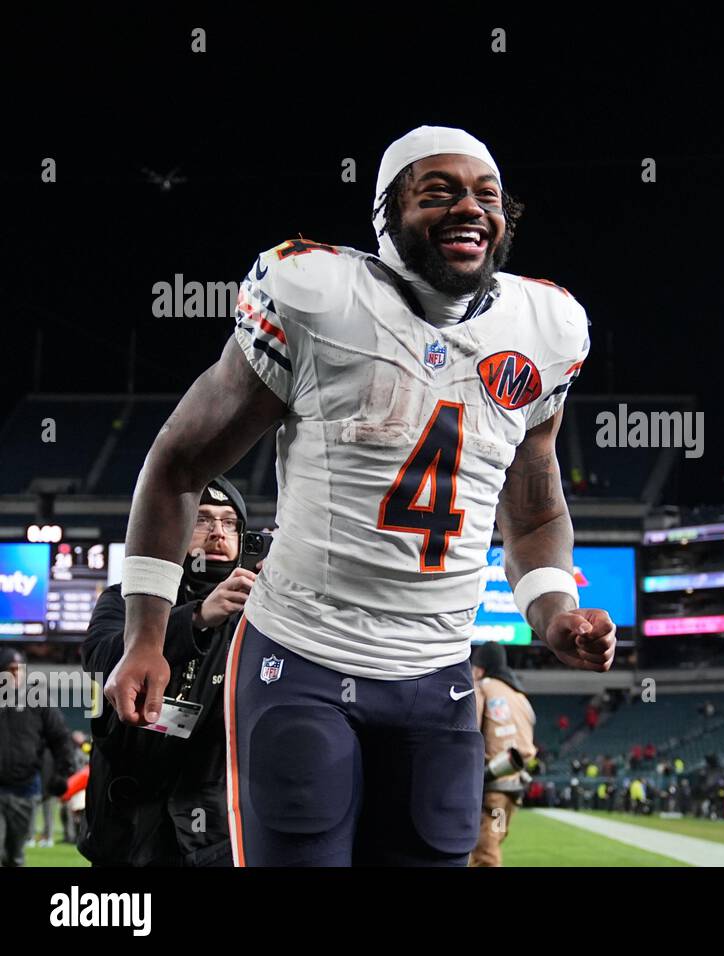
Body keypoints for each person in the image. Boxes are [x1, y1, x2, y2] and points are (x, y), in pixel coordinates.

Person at [103, 126, 617, 867]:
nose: (468, 208)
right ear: (385, 217)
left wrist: (554, 611)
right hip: (301, 656)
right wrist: (145, 636)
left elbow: (534, 508)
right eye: (437, 192)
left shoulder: (546, 328)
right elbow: (179, 465)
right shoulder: (317, 296)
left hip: (438, 672)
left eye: (486, 195)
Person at [79, 477, 255, 867]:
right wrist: (196, 618)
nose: (218, 533)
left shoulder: (259, 612)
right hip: (126, 827)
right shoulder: (126, 600)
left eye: (230, 523)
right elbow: (103, 659)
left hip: (214, 834)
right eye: (204, 519)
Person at [0, 648, 76, 867]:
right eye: (11, 670)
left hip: (24, 788)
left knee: (14, 856)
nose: (16, 675)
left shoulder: (37, 701)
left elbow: (60, 737)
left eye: (20, 670)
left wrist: (63, 773)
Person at [469, 641, 536, 867]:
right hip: (512, 790)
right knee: (491, 844)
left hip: (491, 787)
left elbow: (469, 730)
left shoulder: (482, 687)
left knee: (484, 853)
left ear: (479, 668)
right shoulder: (519, 696)